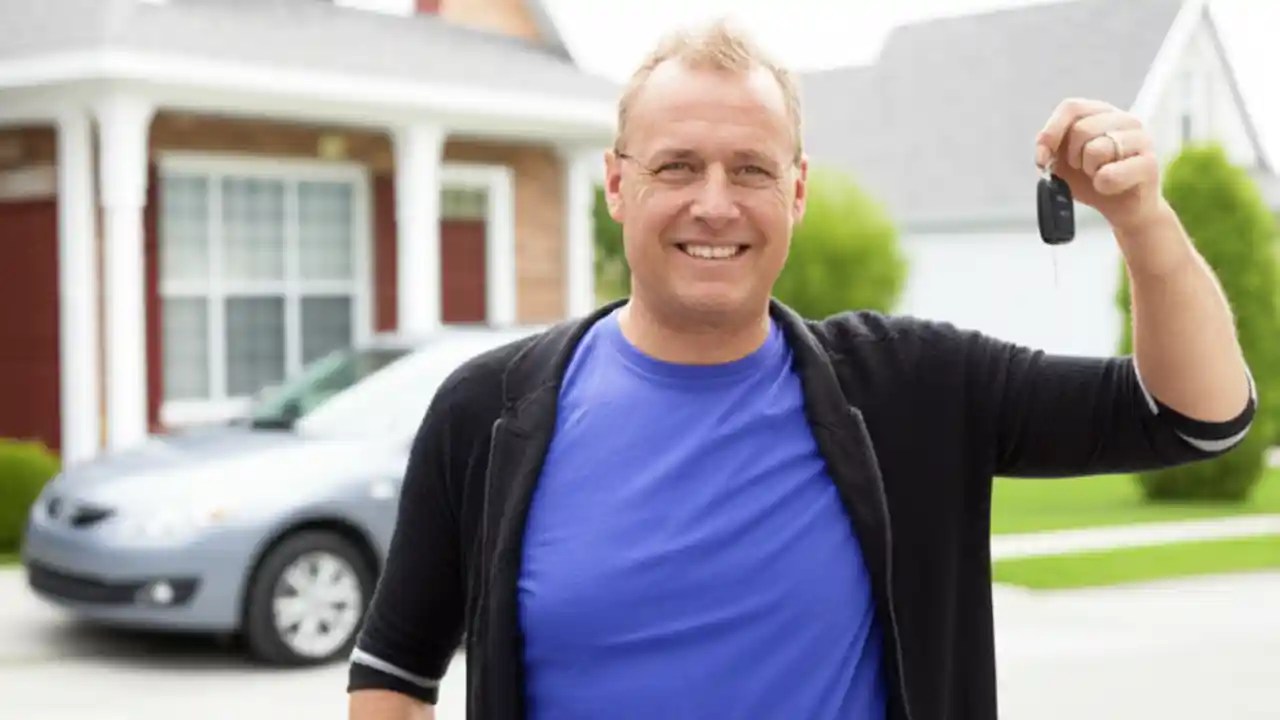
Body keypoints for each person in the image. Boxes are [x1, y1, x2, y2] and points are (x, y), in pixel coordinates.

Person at [346, 19, 1257, 720]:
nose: (714, 204)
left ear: (797, 190)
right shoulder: (489, 411)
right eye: (677, 167)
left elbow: (1193, 415)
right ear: (618, 185)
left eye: (750, 169)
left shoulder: (913, 391)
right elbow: (394, 669)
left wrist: (1141, 218)